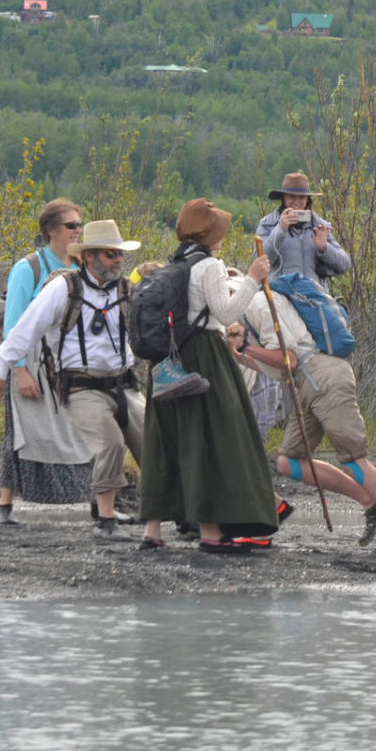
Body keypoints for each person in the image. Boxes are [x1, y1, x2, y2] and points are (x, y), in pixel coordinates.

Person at [136, 200, 285, 554]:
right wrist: (252, 278)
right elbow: (226, 312)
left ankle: (152, 531)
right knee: (215, 436)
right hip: (204, 354)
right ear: (209, 233)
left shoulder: (175, 263)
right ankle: (211, 532)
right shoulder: (210, 266)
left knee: (167, 438)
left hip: (169, 360)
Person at [244, 265, 376, 551]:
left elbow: (289, 359)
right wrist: (240, 351)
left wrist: (246, 346)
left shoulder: (258, 304)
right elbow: (274, 364)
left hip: (324, 377)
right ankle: (370, 503)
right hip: (308, 384)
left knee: (354, 459)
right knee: (289, 462)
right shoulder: (251, 313)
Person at [0, 220, 147, 539]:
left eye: (119, 255)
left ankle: (173, 514)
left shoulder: (126, 289)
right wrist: (0, 373)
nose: (117, 261)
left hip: (122, 381)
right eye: (110, 254)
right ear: (89, 257)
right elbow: (23, 331)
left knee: (153, 443)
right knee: (110, 443)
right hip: (80, 386)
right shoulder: (64, 288)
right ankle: (105, 519)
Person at [0, 198, 92, 524]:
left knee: (85, 430)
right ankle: (4, 505)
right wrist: (19, 371)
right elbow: (13, 325)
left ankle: (98, 505)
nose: (78, 231)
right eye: (71, 225)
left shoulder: (82, 270)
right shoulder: (28, 269)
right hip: (31, 360)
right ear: (51, 230)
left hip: (68, 362)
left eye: (80, 225)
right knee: (21, 431)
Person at [253, 172, 351, 284]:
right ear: (283, 198)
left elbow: (345, 265)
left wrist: (324, 248)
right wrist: (280, 229)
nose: (296, 202)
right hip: (279, 293)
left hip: (314, 293)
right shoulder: (268, 224)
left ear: (307, 199)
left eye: (301, 197)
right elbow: (259, 261)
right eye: (292, 196)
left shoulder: (320, 226)